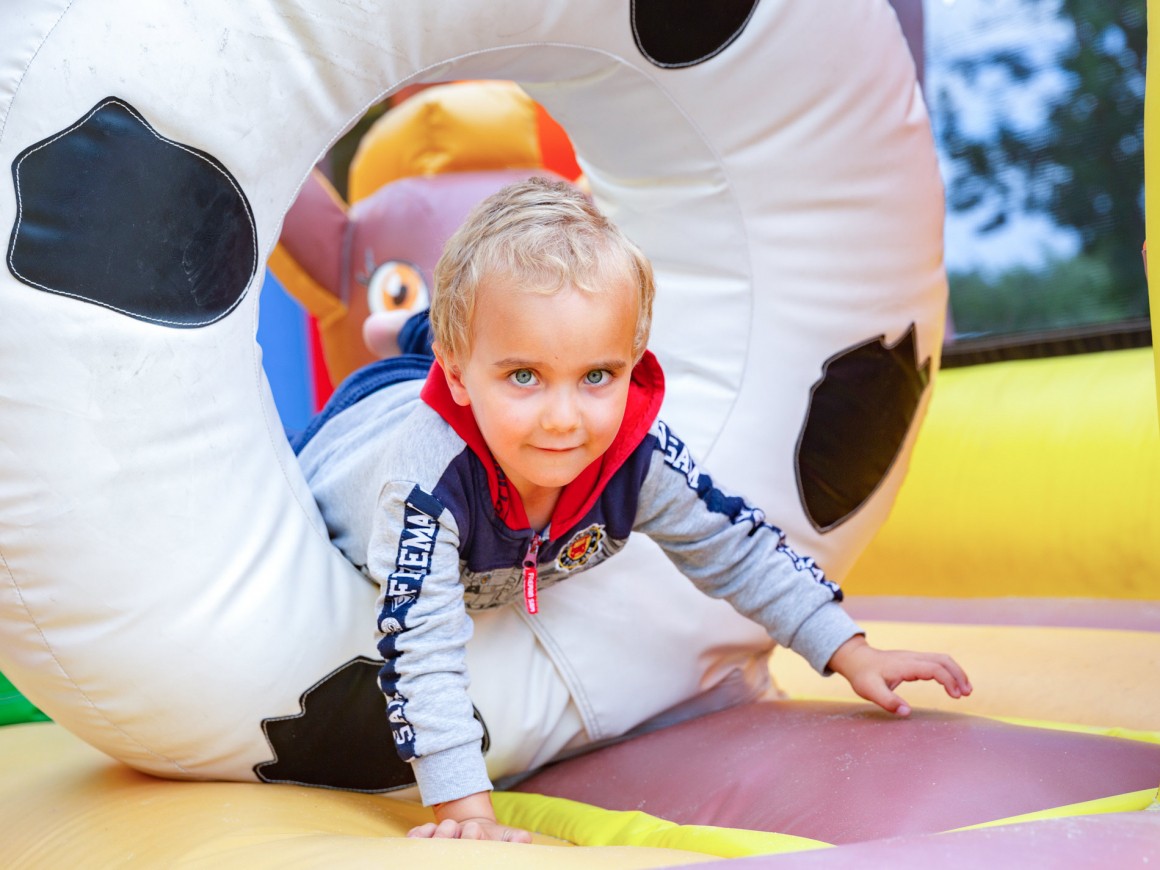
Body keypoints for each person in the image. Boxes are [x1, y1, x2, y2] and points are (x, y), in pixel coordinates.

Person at [295, 177, 972, 843]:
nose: (565, 419)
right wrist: (466, 811)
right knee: (418, 367)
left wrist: (850, 650)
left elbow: (732, 545)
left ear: (630, 364)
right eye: (524, 376)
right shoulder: (424, 481)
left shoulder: (632, 451)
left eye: (598, 375)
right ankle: (408, 335)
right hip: (368, 420)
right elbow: (422, 645)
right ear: (464, 376)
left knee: (490, 346)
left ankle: (420, 333)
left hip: (459, 380)